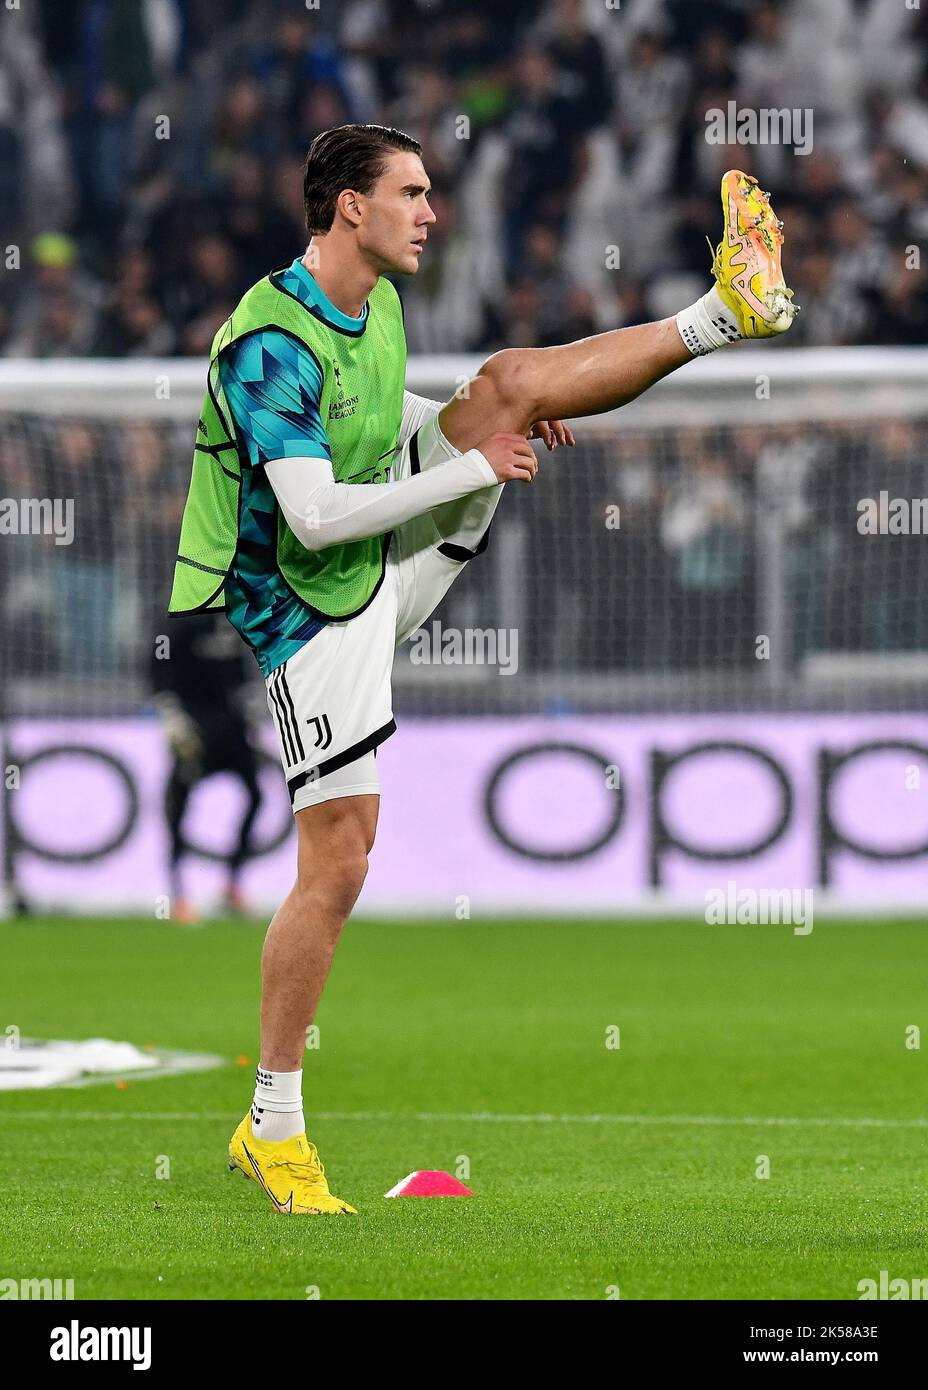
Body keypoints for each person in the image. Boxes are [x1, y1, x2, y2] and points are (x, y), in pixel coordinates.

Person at [168, 123, 796, 1215]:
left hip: (369, 554)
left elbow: (368, 431)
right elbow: (311, 519)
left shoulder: (377, 306)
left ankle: (722, 313)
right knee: (340, 863)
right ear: (349, 207)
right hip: (301, 603)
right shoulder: (265, 340)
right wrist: (465, 463)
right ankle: (271, 1126)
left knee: (510, 382)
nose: (431, 211)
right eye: (411, 192)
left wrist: (473, 434)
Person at [151, 612, 263, 921]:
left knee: (256, 795)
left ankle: (232, 883)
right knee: (179, 802)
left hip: (231, 725)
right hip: (194, 724)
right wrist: (171, 714)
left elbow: (240, 668)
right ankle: (178, 894)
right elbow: (159, 666)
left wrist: (250, 707)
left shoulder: (232, 615)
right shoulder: (178, 619)